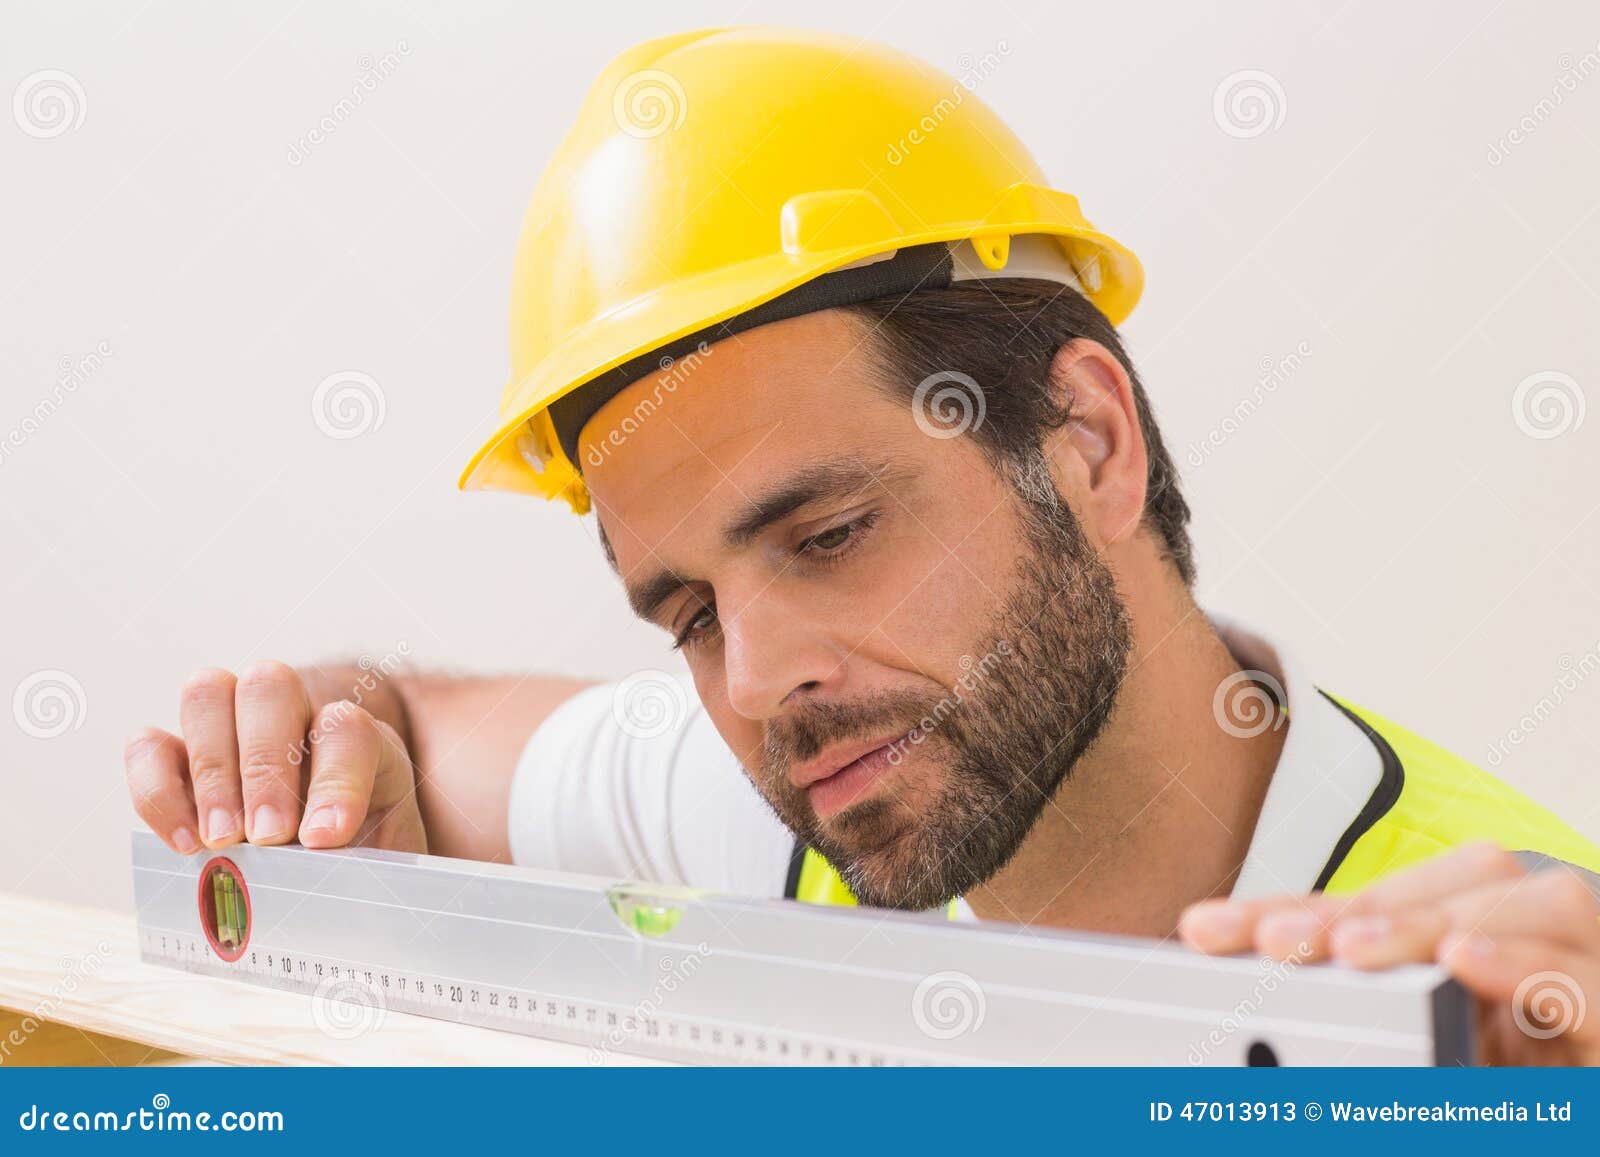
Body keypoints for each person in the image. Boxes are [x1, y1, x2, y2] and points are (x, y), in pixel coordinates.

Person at [123, 27, 1600, 1064]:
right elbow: (396, 724)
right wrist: (307, 752)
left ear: (1088, 441)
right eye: (690, 614)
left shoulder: (1482, 982)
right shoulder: (782, 805)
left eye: (828, 534)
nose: (758, 683)